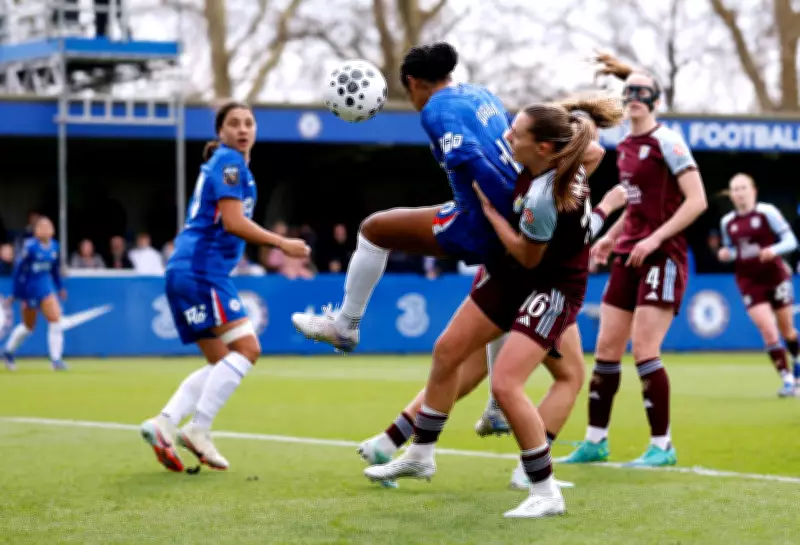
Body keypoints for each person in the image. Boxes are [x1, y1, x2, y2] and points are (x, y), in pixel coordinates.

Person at [364, 98, 626, 519]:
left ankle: (543, 490)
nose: (506, 137)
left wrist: (492, 215)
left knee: (506, 385)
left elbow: (528, 257)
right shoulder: (565, 163)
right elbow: (591, 151)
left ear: (542, 148)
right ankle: (421, 453)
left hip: (549, 286)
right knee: (448, 351)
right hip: (513, 275)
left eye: (516, 134)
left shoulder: (543, 195)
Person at [292, 42, 522, 352]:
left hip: (480, 221)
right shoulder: (482, 94)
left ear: (412, 82)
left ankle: (345, 326)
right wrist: (523, 208)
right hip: (508, 214)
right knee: (496, 302)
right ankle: (496, 403)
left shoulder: (437, 110)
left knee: (374, 230)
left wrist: (505, 215)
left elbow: (473, 161)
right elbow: (515, 143)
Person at [139, 102, 310, 472]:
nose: (243, 129)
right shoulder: (229, 163)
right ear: (221, 132)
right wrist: (282, 243)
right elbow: (233, 222)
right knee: (248, 349)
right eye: (234, 123)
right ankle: (198, 429)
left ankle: (165, 423)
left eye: (249, 123)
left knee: (221, 361)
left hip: (185, 269)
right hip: (202, 271)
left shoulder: (230, 166)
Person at [561, 54, 708, 467]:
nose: (635, 98)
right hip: (629, 253)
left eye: (643, 92)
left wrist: (656, 238)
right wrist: (608, 239)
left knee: (644, 349)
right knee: (606, 348)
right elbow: (637, 207)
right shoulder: (624, 147)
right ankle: (595, 441)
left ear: (656, 100)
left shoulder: (669, 141)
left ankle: (662, 446)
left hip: (663, 255)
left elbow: (696, 201)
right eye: (629, 93)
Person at [718, 174, 799, 396]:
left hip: (775, 276)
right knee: (768, 330)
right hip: (749, 281)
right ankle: (788, 380)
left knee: (788, 331)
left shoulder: (767, 212)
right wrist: (727, 254)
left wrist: (773, 250)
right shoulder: (728, 222)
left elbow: (791, 241)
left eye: (743, 188)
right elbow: (734, 251)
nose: (739, 193)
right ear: (731, 194)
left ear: (753, 190)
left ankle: (797, 365)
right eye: (735, 189)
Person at [3, 217, 67, 371]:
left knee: (56, 320)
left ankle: (56, 360)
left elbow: (54, 270)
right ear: (36, 230)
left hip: (46, 289)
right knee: (28, 327)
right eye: (42, 226)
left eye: (48, 226)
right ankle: (8, 351)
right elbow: (19, 271)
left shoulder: (54, 247)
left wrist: (59, 287)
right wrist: (16, 293)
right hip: (29, 291)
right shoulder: (30, 247)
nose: (45, 229)